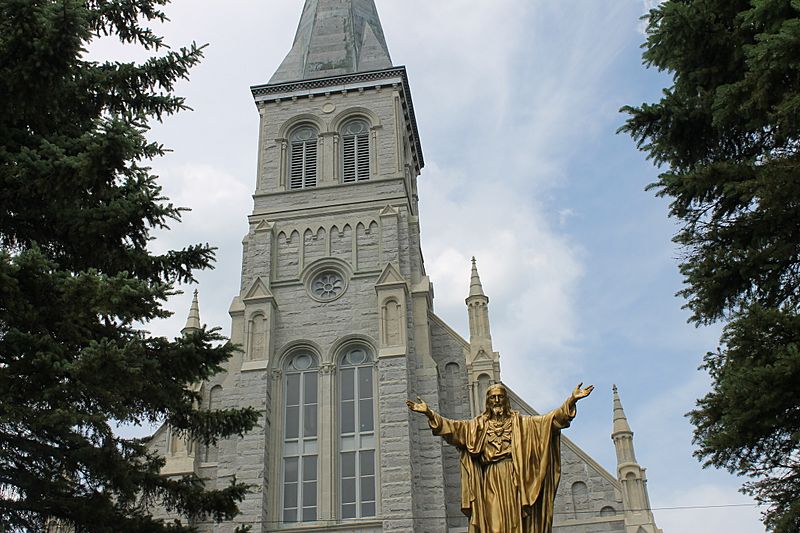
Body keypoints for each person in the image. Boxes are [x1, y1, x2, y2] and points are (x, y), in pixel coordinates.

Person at [406, 382, 593, 533]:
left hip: (515, 479)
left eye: (500, 397)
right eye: (493, 397)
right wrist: (429, 413)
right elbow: (452, 429)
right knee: (494, 525)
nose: (497, 400)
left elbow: (549, 421)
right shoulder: (477, 426)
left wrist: (570, 401)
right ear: (488, 401)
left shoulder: (521, 423)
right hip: (490, 481)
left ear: (506, 400)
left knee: (516, 523)